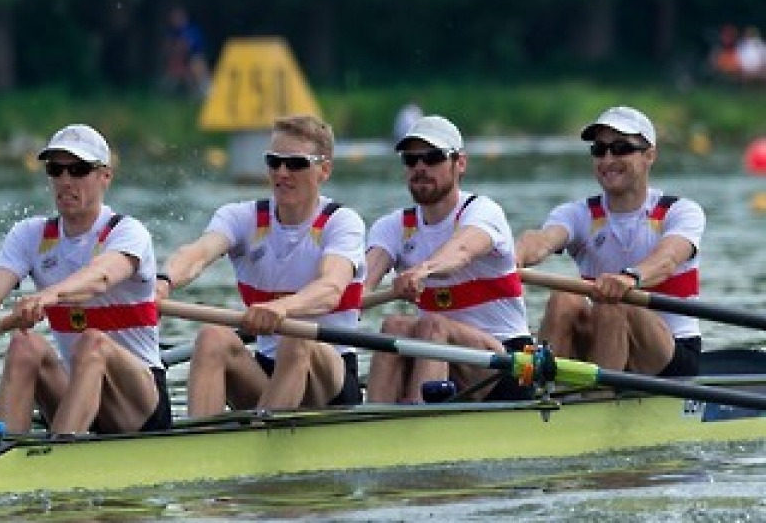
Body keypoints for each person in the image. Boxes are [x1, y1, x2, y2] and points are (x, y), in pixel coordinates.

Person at [0, 123, 170, 435]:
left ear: (105, 176)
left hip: (138, 404)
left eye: (79, 170)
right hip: (75, 391)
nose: (65, 181)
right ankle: (4, 456)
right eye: (56, 170)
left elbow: (100, 277)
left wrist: (46, 297)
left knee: (92, 341)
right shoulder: (31, 235)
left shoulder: (126, 232)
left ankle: (58, 454)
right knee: (23, 343)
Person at [156, 114, 367, 418]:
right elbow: (197, 254)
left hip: (329, 376)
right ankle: (201, 446)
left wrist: (282, 308)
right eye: (273, 161)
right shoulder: (241, 217)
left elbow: (331, 288)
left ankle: (258, 442)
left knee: (297, 336)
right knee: (211, 338)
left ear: (324, 170)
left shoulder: (342, 222)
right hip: (266, 371)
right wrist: (163, 282)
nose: (282, 173)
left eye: (295, 164)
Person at [516, 106, 704, 377]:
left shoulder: (679, 211)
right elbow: (542, 240)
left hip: (670, 350)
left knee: (615, 303)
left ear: (649, 155)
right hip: (608, 339)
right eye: (599, 150)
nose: (607, 159)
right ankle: (543, 394)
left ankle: (594, 402)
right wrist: (516, 257)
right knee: (564, 299)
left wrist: (631, 278)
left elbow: (668, 259)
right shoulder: (578, 214)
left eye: (620, 148)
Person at [362, 115, 532, 403]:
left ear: (460, 163)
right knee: (394, 325)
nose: (420, 167)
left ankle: (421, 427)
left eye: (432, 157)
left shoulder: (483, 212)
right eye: (411, 159)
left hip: (511, 363)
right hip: (441, 360)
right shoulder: (392, 227)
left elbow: (462, 251)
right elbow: (360, 288)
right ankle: (372, 422)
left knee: (433, 324)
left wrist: (423, 270)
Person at [161, 6, 211, 99]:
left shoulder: (191, 30)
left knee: (196, 63)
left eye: (177, 17)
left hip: (194, 58)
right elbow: (167, 48)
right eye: (173, 18)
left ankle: (205, 89)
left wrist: (175, 51)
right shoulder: (173, 32)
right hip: (180, 60)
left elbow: (185, 46)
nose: (174, 21)